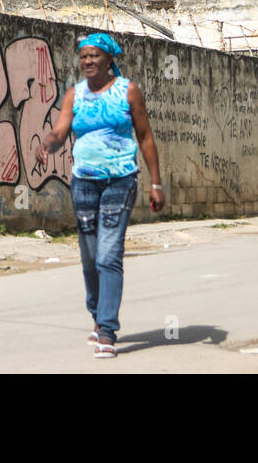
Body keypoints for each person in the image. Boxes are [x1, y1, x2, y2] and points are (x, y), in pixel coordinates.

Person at [37, 33, 164, 358]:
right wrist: (48, 142)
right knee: (90, 256)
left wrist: (155, 183)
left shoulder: (128, 90)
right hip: (84, 182)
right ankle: (97, 315)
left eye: (94, 56)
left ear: (109, 59)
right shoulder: (75, 94)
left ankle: (107, 329)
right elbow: (62, 129)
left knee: (109, 254)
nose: (88, 62)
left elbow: (145, 136)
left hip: (120, 180)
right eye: (83, 57)